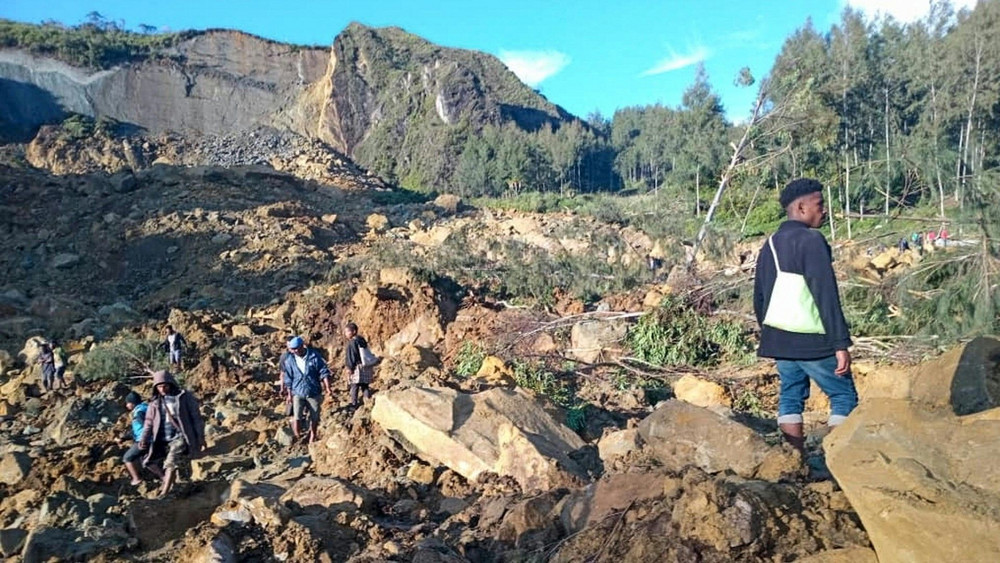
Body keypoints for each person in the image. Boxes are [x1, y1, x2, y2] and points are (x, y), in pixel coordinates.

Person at [753, 178, 857, 453]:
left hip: (779, 337)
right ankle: (836, 460)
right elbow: (825, 294)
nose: (824, 211)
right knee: (843, 395)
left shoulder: (770, 243)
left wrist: (771, 334)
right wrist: (840, 344)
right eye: (819, 204)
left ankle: (794, 460)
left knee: (790, 396)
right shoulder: (812, 240)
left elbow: (760, 296)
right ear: (800, 207)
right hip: (814, 339)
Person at [138, 370, 205, 497]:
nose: (162, 389)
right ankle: (179, 486)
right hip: (162, 438)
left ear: (171, 384)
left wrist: (200, 437)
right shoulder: (154, 403)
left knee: (171, 461)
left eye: (165, 386)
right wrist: (144, 438)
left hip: (180, 435)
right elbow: (148, 423)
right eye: (159, 386)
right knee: (150, 461)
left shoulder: (184, 397)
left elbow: (196, 418)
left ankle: (165, 491)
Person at [281, 336, 331, 444]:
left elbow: (323, 371)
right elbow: (288, 378)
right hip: (298, 391)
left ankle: (313, 436)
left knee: (314, 417)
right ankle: (297, 436)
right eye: (293, 349)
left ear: (302, 345)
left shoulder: (314, 356)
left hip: (313, 391)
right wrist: (289, 395)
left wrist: (328, 388)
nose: (295, 351)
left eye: (297, 348)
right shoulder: (290, 360)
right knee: (297, 416)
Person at [122, 391, 164, 486]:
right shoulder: (146, 408)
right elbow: (137, 430)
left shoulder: (139, 412)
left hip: (144, 441)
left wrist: (144, 439)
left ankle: (136, 479)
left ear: (132, 403)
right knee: (147, 461)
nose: (127, 405)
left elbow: (146, 427)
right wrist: (124, 438)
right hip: (153, 440)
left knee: (127, 458)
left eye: (128, 403)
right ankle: (164, 477)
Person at [343, 322, 375, 408]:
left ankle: (354, 404)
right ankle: (367, 402)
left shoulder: (352, 342)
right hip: (365, 365)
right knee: (365, 385)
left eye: (347, 331)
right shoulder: (361, 340)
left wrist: (350, 368)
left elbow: (352, 356)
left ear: (354, 331)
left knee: (354, 386)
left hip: (357, 367)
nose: (346, 334)